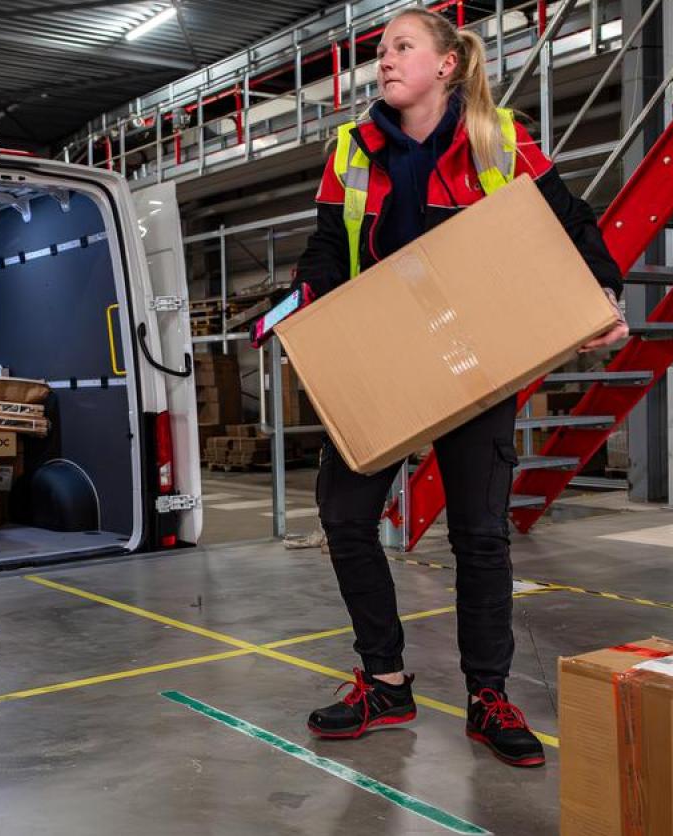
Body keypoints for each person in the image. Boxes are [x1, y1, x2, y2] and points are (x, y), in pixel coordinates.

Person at [258, 7, 628, 768]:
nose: (383, 62)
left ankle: (487, 694)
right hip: (384, 359)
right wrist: (312, 307)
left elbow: (571, 221)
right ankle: (385, 681)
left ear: (447, 63)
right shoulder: (350, 148)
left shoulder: (501, 135)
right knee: (346, 516)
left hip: (474, 357)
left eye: (400, 48)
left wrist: (602, 296)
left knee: (481, 536)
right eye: (379, 51)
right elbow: (329, 245)